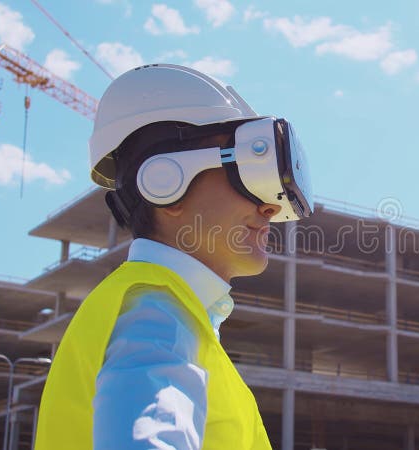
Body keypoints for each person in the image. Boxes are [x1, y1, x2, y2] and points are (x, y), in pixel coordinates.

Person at [35, 64, 313, 450]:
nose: (268, 206)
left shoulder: (167, 313)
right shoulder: (157, 316)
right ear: (165, 182)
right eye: (247, 173)